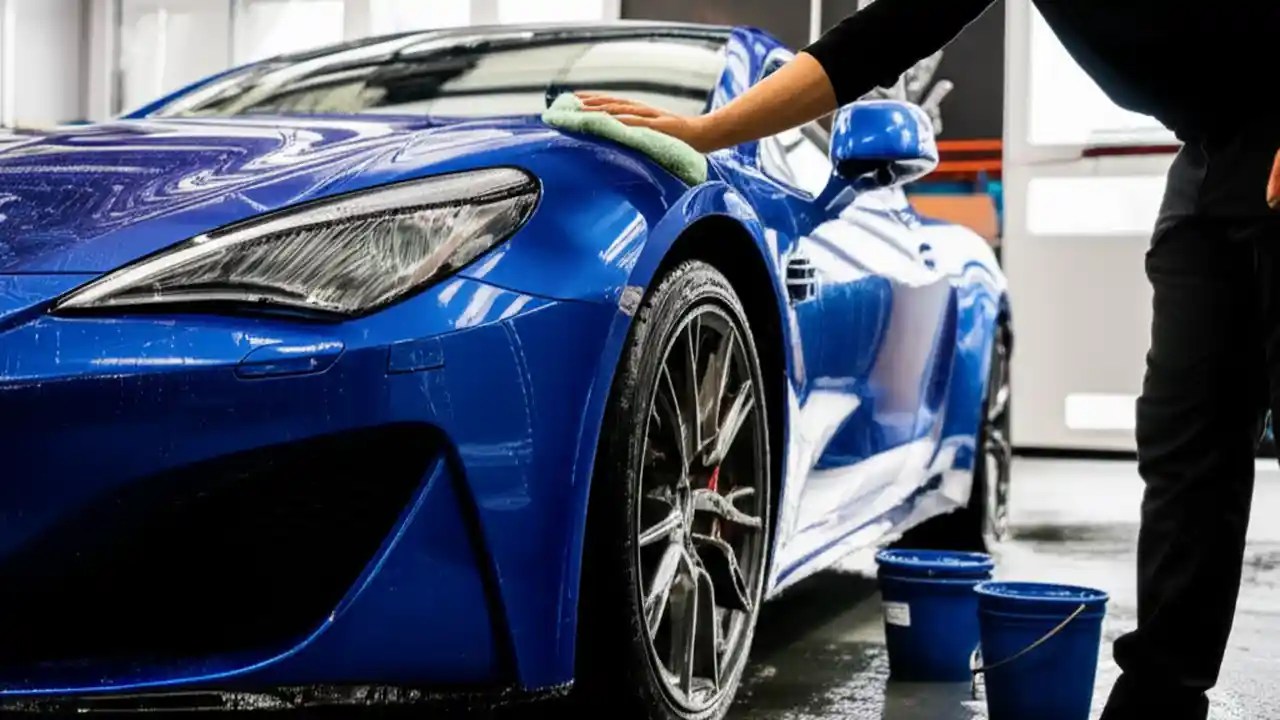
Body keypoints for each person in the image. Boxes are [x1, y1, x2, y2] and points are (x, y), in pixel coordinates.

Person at [579, 2, 1280, 718]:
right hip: (1208, 153)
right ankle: (1161, 695)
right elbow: (885, 36)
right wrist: (705, 131)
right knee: (1184, 444)